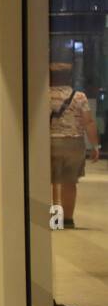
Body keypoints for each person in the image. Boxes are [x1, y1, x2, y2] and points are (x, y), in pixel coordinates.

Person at [49, 61, 100, 229]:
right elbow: (89, 122)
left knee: (52, 183)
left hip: (48, 143)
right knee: (69, 182)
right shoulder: (79, 97)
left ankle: (55, 219)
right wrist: (95, 146)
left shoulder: (43, 94)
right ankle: (68, 219)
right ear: (69, 77)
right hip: (73, 143)